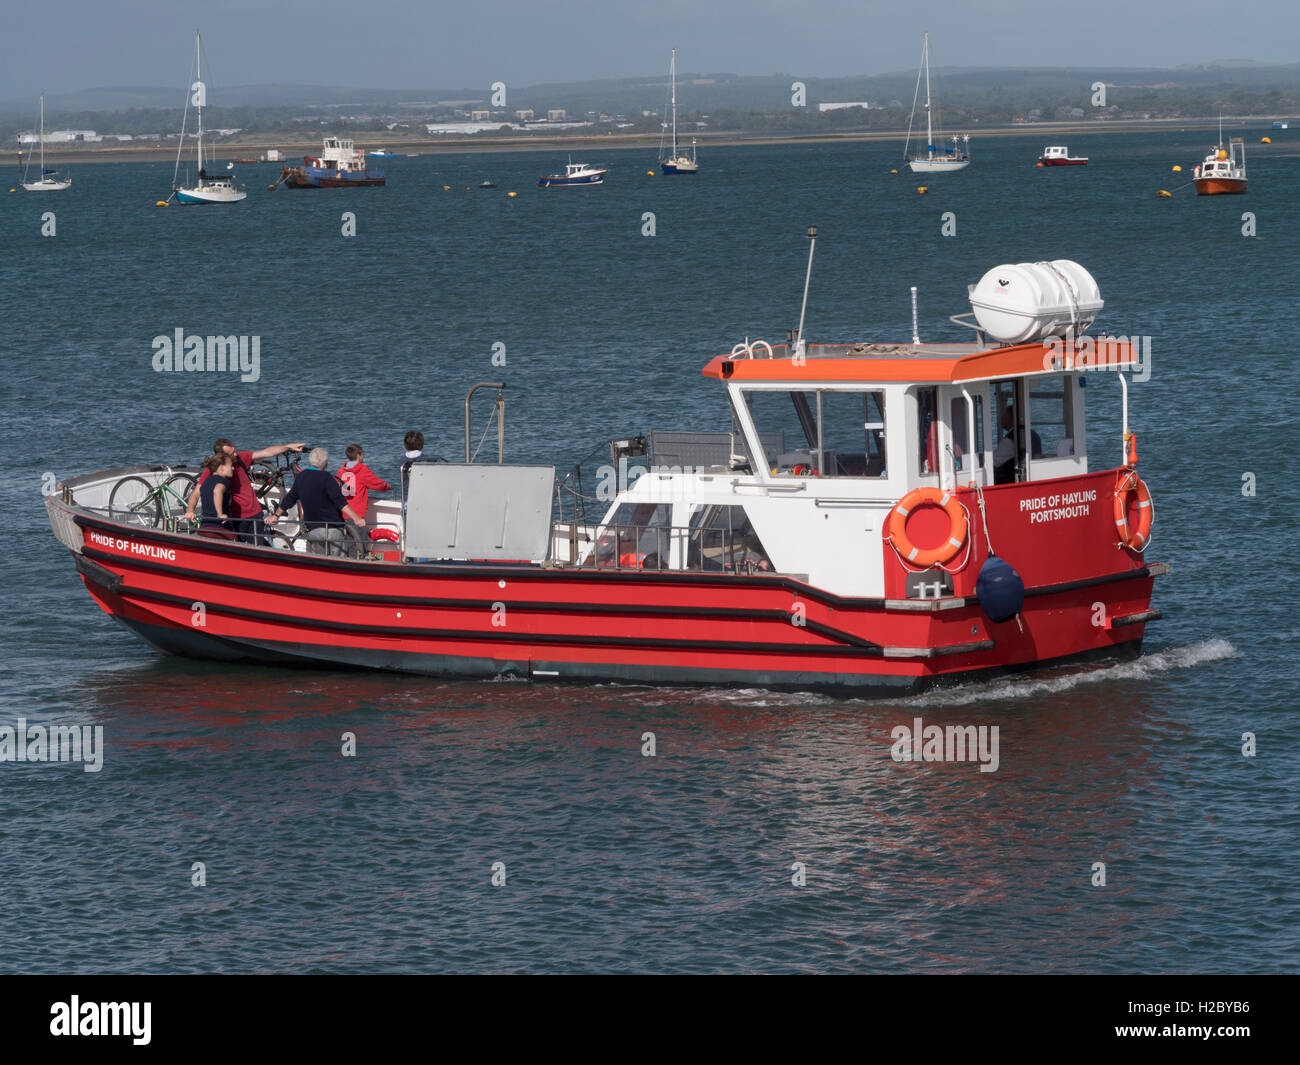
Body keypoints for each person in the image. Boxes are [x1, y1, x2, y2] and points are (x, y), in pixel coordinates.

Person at [185, 438, 307, 544]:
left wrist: (288, 446)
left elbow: (266, 452)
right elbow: (197, 492)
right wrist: (190, 510)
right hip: (238, 518)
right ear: (222, 458)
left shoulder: (240, 458)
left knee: (258, 550)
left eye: (235, 451)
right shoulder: (213, 470)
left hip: (255, 514)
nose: (236, 455)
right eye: (232, 454)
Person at [266, 447, 365, 556]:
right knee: (340, 561)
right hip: (333, 528)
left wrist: (276, 515)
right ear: (325, 463)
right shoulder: (327, 478)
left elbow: (289, 499)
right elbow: (340, 503)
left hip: (314, 530)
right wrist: (356, 518)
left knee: (320, 560)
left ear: (310, 461)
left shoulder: (301, 477)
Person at [335, 444, 390, 522]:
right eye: (362, 454)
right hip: (356, 514)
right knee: (360, 534)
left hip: (343, 511)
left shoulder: (341, 470)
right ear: (358, 455)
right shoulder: (362, 470)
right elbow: (377, 484)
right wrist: (387, 487)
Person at [197, 453, 238, 540]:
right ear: (222, 467)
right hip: (221, 530)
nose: (233, 468)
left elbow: (196, 494)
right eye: (231, 465)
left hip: (204, 528)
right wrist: (220, 514)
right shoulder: (224, 481)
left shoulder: (206, 481)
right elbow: (217, 490)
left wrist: (190, 510)